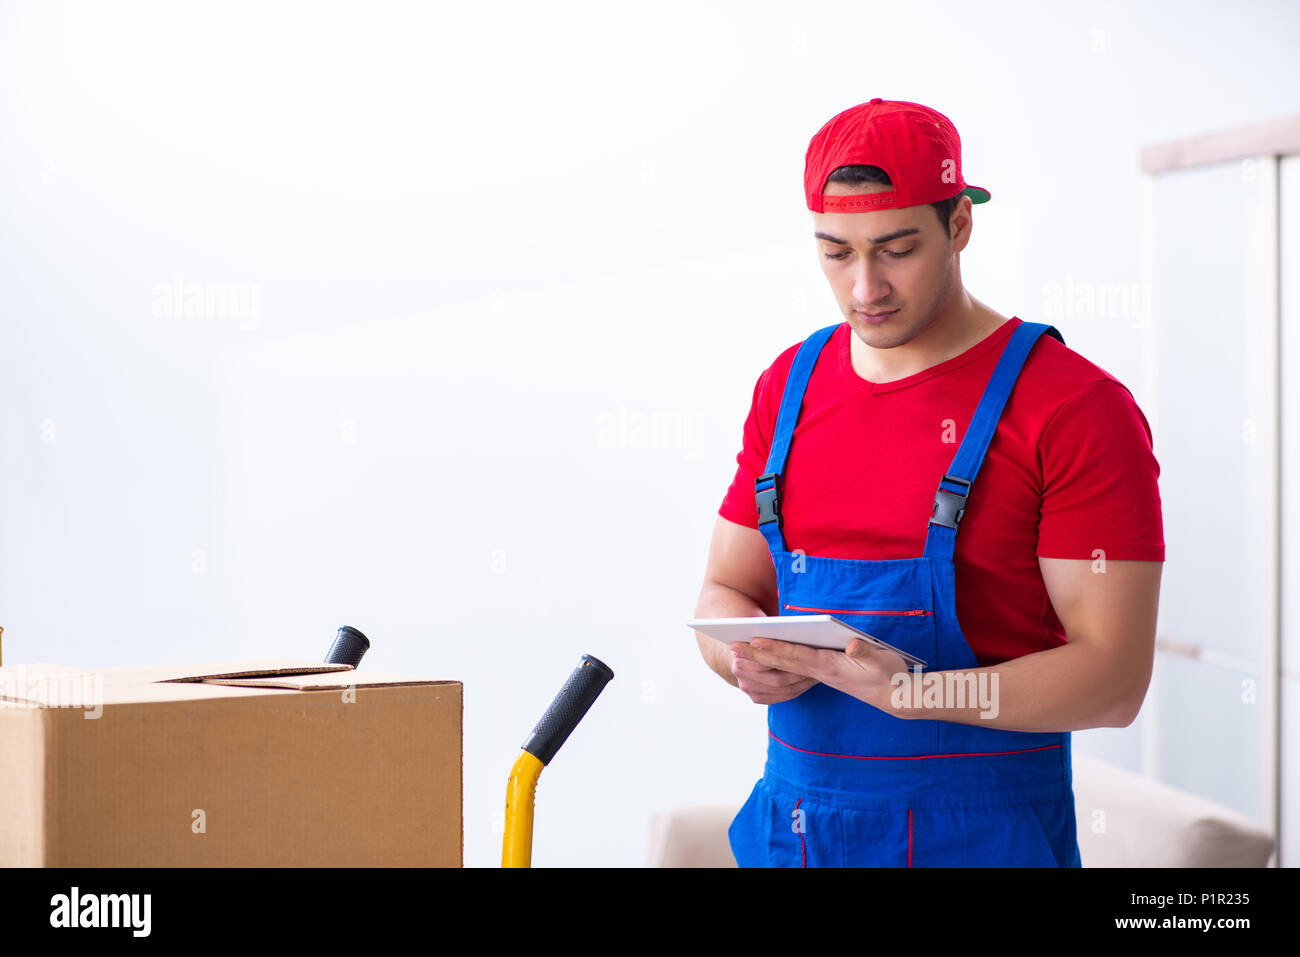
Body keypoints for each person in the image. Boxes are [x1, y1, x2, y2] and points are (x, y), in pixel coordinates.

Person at [693, 98, 1165, 867]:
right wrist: (740, 658)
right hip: (799, 831)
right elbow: (723, 590)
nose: (864, 287)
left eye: (897, 248)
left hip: (982, 839)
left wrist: (918, 692)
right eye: (836, 252)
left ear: (960, 226)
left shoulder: (1072, 407)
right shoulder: (788, 386)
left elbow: (1114, 678)